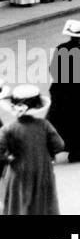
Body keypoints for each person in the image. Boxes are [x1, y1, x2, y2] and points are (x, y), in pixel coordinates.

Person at [0, 85, 63, 215]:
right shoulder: (44, 125)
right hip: (42, 170)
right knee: (42, 204)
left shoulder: (8, 129)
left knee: (19, 203)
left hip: (18, 172)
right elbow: (59, 145)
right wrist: (49, 153)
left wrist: (9, 158)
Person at [47, 19, 80, 163]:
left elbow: (52, 69)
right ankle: (75, 152)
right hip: (74, 91)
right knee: (76, 121)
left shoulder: (60, 48)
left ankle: (51, 151)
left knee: (56, 119)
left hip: (58, 89)